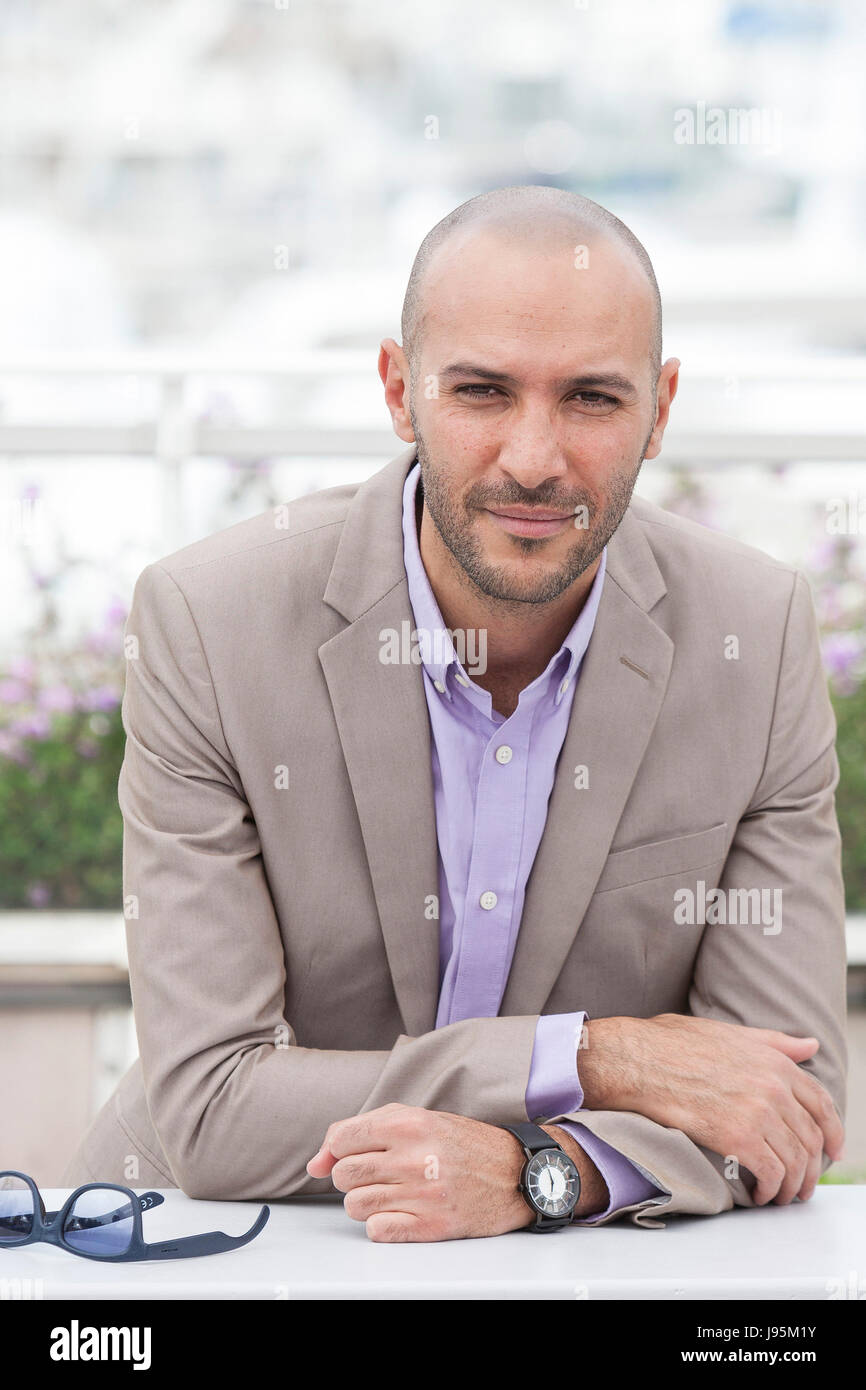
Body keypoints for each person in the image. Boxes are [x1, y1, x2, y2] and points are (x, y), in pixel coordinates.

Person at [63, 185, 846, 1241]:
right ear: (399, 391)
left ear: (659, 411)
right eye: (480, 391)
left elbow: (782, 1102)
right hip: (228, 1244)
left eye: (591, 399)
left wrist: (540, 1169)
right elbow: (210, 1105)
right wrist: (585, 1056)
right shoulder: (209, 623)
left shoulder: (752, 633)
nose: (532, 458)